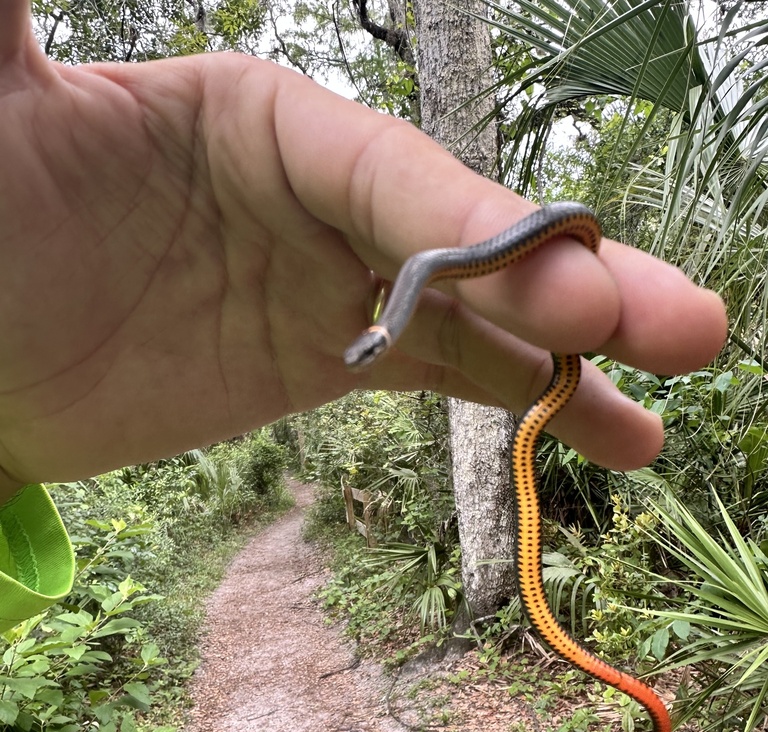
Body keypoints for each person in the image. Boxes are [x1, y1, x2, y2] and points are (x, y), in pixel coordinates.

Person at [0, 1, 727, 628]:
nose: (365, 355)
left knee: (574, 306)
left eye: (369, 347)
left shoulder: (425, 272)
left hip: (563, 234)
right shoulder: (412, 285)